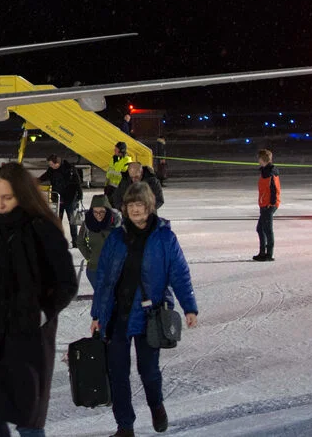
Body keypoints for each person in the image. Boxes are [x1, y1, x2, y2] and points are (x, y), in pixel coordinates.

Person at [0, 162, 78, 436]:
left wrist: (42, 314)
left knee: (27, 420)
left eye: (7, 197)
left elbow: (67, 283)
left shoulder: (43, 228)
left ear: (23, 195)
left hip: (28, 338)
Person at [90, 182, 199, 437]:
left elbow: (179, 274)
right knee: (117, 374)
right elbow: (104, 279)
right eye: (131, 205)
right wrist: (97, 315)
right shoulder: (116, 238)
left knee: (148, 371)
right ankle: (125, 426)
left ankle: (156, 404)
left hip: (149, 315)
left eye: (139, 205)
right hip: (117, 316)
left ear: (149, 207)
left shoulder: (165, 238)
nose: (135, 210)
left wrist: (189, 307)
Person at [76, 197, 121, 293]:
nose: (98, 215)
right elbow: (80, 242)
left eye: (102, 212)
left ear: (108, 211)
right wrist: (90, 257)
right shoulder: (88, 223)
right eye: (95, 212)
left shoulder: (117, 223)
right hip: (94, 268)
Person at [39, 154, 84, 245]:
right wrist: (34, 181)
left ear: (57, 163)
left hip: (70, 199)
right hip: (58, 199)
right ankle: (57, 239)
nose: (50, 166)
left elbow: (77, 182)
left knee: (72, 220)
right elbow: (44, 177)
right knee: (57, 220)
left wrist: (80, 195)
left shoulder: (70, 169)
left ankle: (75, 241)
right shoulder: (51, 170)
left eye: (51, 164)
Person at [254, 149, 280, 261]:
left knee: (267, 229)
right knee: (260, 229)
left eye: (259, 158)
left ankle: (268, 254)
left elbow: (274, 189)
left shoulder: (270, 172)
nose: (258, 160)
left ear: (262, 159)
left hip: (268, 205)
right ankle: (262, 252)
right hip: (264, 204)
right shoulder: (265, 171)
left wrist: (271, 203)